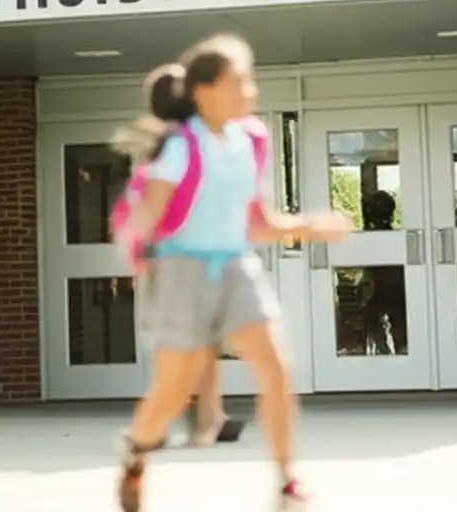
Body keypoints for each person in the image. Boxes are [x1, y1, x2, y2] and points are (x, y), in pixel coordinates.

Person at [111, 34, 349, 512]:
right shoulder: (181, 147)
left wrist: (308, 226)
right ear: (203, 91)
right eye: (238, 80)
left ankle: (287, 481)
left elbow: (258, 224)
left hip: (237, 266)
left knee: (277, 370)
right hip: (182, 271)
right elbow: (149, 216)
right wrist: (133, 248)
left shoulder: (251, 142)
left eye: (249, 79)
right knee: (174, 392)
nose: (249, 89)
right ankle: (137, 451)